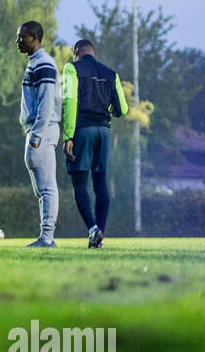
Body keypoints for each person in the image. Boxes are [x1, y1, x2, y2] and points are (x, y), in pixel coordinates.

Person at [60, 39, 128, 248]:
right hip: (103, 133)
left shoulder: (72, 68)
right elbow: (122, 110)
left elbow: (69, 100)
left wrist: (68, 135)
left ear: (77, 52)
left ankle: (92, 228)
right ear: (94, 53)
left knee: (80, 184)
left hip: (82, 131)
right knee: (101, 184)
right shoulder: (111, 74)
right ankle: (99, 238)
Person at [16, 21, 61, 247]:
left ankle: (47, 237)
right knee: (41, 190)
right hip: (36, 130)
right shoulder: (36, 62)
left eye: (22, 37)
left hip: (41, 131)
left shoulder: (43, 63)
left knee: (47, 188)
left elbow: (46, 105)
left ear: (35, 38)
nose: (18, 41)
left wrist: (36, 135)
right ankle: (45, 236)